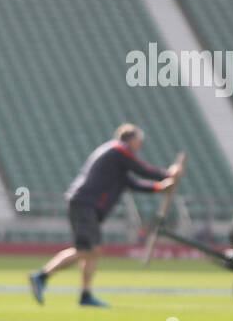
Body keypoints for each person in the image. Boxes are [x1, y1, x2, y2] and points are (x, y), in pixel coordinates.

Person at [29, 124, 182, 307]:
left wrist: (160, 187)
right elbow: (141, 169)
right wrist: (167, 174)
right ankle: (42, 276)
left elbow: (134, 183)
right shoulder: (118, 150)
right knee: (87, 250)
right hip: (85, 204)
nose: (140, 146)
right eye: (139, 142)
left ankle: (85, 295)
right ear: (130, 139)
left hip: (88, 206)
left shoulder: (117, 162)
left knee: (93, 251)